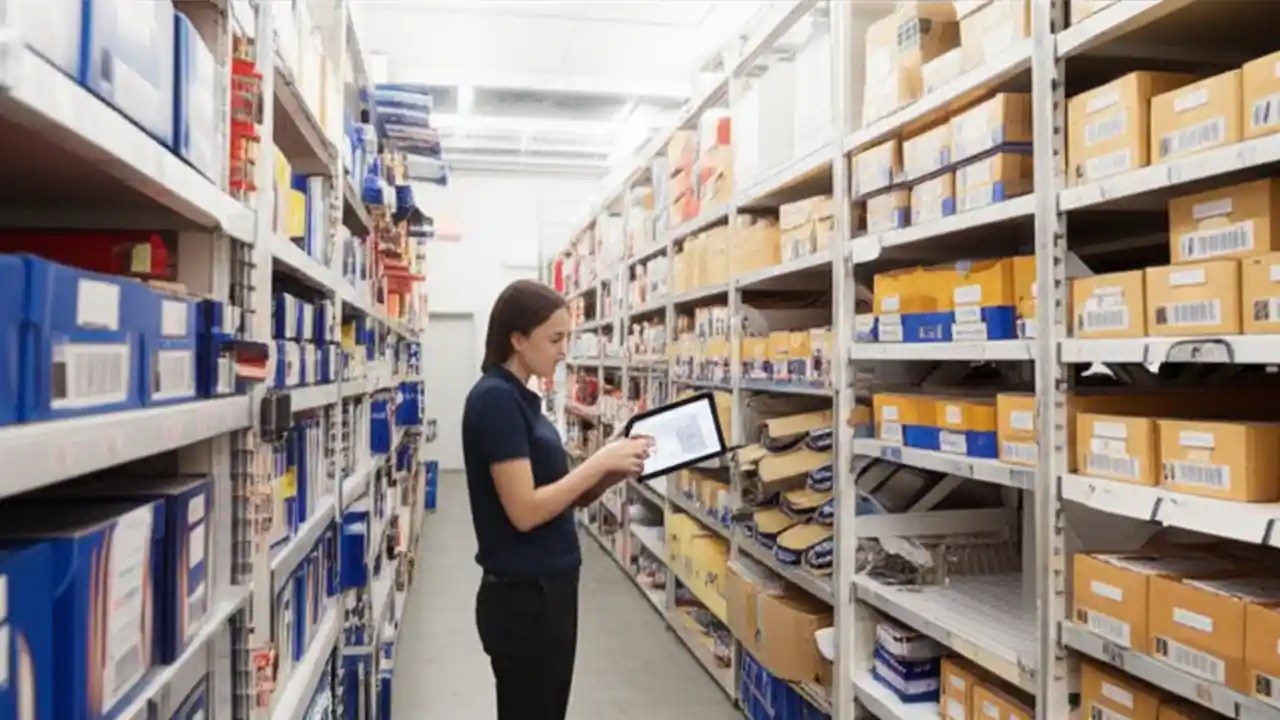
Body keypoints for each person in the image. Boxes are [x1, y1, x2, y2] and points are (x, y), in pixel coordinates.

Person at [462, 279, 653, 720]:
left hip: (547, 591)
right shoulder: (495, 400)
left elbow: (560, 498)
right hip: (525, 599)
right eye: (555, 338)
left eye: (567, 337)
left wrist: (608, 473)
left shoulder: (522, 399)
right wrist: (598, 459)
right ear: (518, 339)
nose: (564, 349)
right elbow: (525, 511)